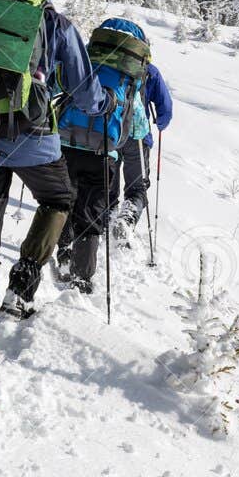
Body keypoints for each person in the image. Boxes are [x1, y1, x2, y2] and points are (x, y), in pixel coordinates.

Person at [0, 0, 105, 370]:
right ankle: (22, 286)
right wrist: (103, 105)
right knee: (59, 198)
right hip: (33, 136)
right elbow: (85, 92)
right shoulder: (55, 24)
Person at [55, 18, 151, 294]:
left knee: (66, 200)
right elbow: (138, 126)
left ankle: (64, 252)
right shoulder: (128, 79)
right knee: (91, 211)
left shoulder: (88, 62)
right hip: (103, 153)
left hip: (66, 142)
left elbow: (61, 85)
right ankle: (81, 278)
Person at [115, 61, 172, 227]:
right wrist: (160, 123)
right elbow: (166, 109)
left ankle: (107, 219)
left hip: (110, 133)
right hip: (137, 136)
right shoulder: (149, 71)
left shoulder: (109, 62)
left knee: (106, 185)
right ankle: (127, 220)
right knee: (137, 188)